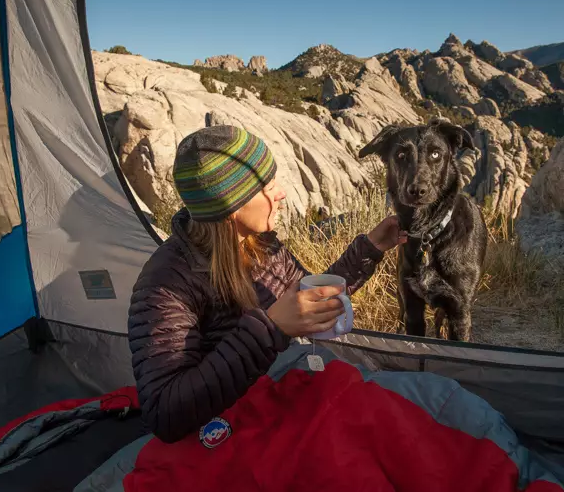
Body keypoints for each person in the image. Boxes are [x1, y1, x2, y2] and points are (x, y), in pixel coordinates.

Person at [128, 125, 406, 443]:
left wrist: (370, 248)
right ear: (232, 205)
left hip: (279, 396)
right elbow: (164, 413)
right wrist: (271, 329)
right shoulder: (166, 284)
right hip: (224, 435)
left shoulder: (262, 244)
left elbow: (309, 299)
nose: (281, 192)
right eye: (267, 186)